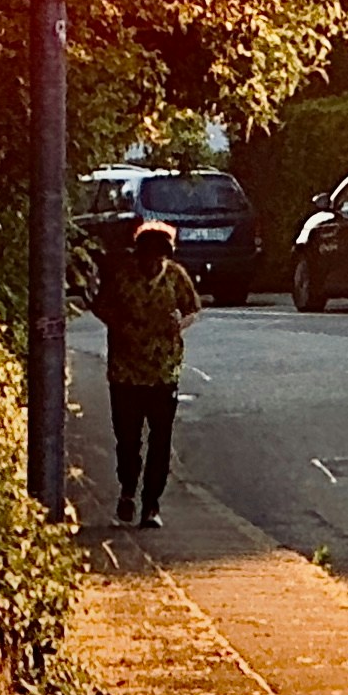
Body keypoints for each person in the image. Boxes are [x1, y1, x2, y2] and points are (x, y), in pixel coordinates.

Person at [92, 219, 203, 528]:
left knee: (160, 439)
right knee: (127, 439)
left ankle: (151, 503)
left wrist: (179, 324)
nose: (152, 263)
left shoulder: (175, 277)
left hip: (163, 369)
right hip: (125, 371)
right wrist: (119, 324)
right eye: (147, 256)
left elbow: (193, 308)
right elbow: (100, 306)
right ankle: (128, 490)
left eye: (159, 257)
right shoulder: (123, 276)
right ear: (137, 254)